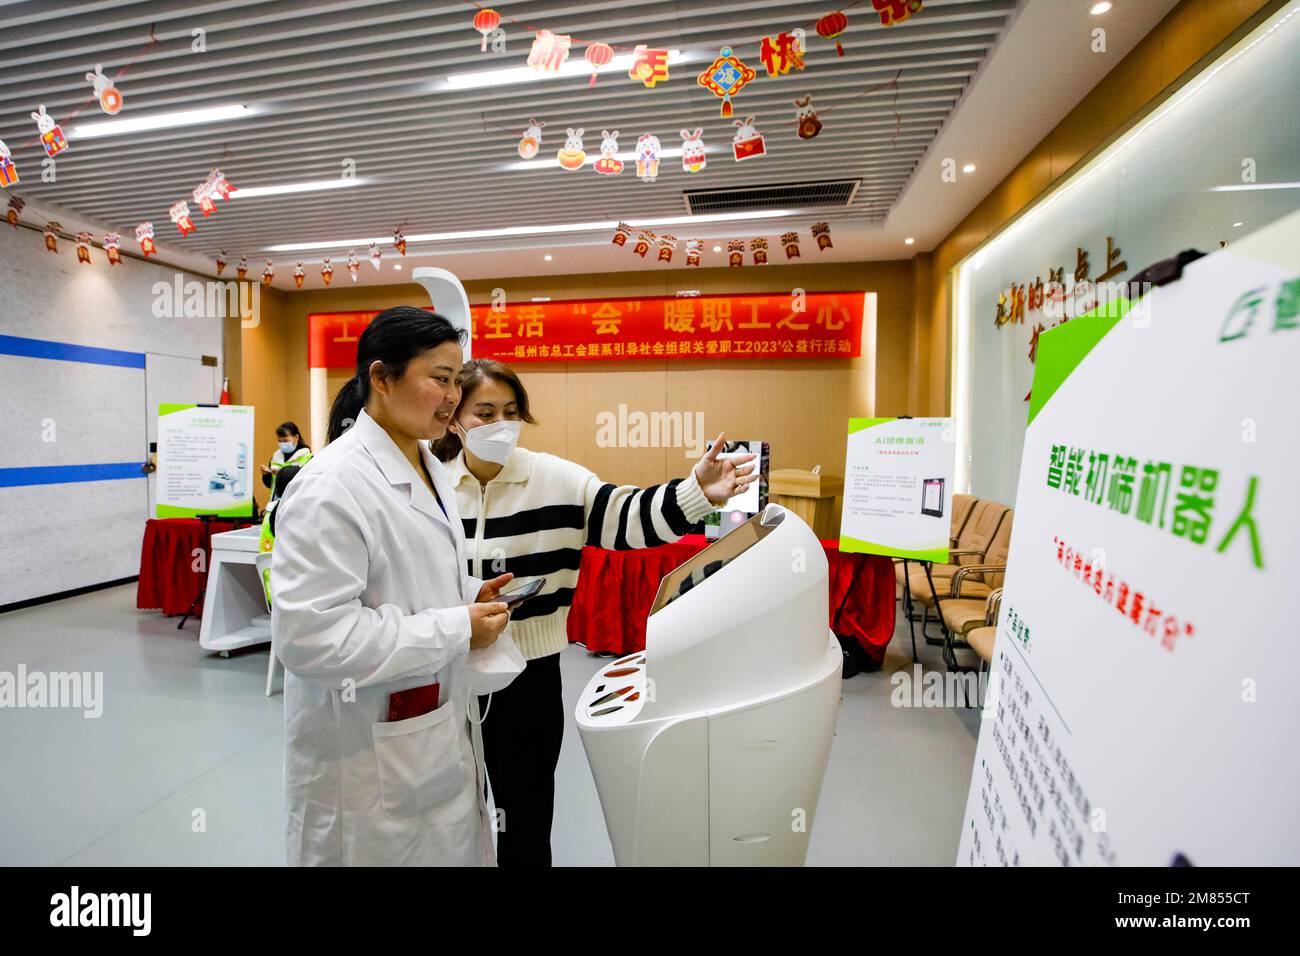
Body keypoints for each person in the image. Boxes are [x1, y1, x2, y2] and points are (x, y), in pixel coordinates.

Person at [433, 358, 758, 866]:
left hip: (528, 676)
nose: (500, 424)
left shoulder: (556, 480)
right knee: (450, 809)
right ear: (455, 419)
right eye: (485, 413)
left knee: (525, 812)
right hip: (448, 670)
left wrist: (696, 493)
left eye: (511, 412)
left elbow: (628, 519)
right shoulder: (433, 488)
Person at [270, 307, 515, 867]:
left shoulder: (427, 464)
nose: (453, 397)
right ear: (381, 378)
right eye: (439, 378)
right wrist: (455, 628)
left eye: (458, 380)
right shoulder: (330, 488)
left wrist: (466, 597)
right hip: (364, 755)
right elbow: (311, 640)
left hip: (429, 731)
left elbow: (405, 580)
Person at [260, 421, 312, 499]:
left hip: (296, 500)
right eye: (279, 441)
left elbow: (308, 483)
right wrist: (266, 475)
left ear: (296, 437)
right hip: (277, 502)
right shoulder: (275, 457)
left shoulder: (307, 457)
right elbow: (271, 485)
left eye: (285, 440)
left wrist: (282, 473)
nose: (282, 444)